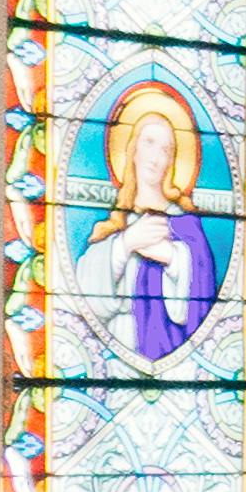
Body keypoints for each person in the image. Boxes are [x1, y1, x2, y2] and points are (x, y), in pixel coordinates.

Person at [69, 75, 227, 365]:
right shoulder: (115, 224)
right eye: (150, 143)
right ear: (133, 149)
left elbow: (203, 291)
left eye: (166, 149)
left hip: (173, 357)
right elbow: (84, 299)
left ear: (173, 160)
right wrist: (126, 244)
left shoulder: (186, 225)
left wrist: (175, 259)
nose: (156, 157)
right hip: (116, 350)